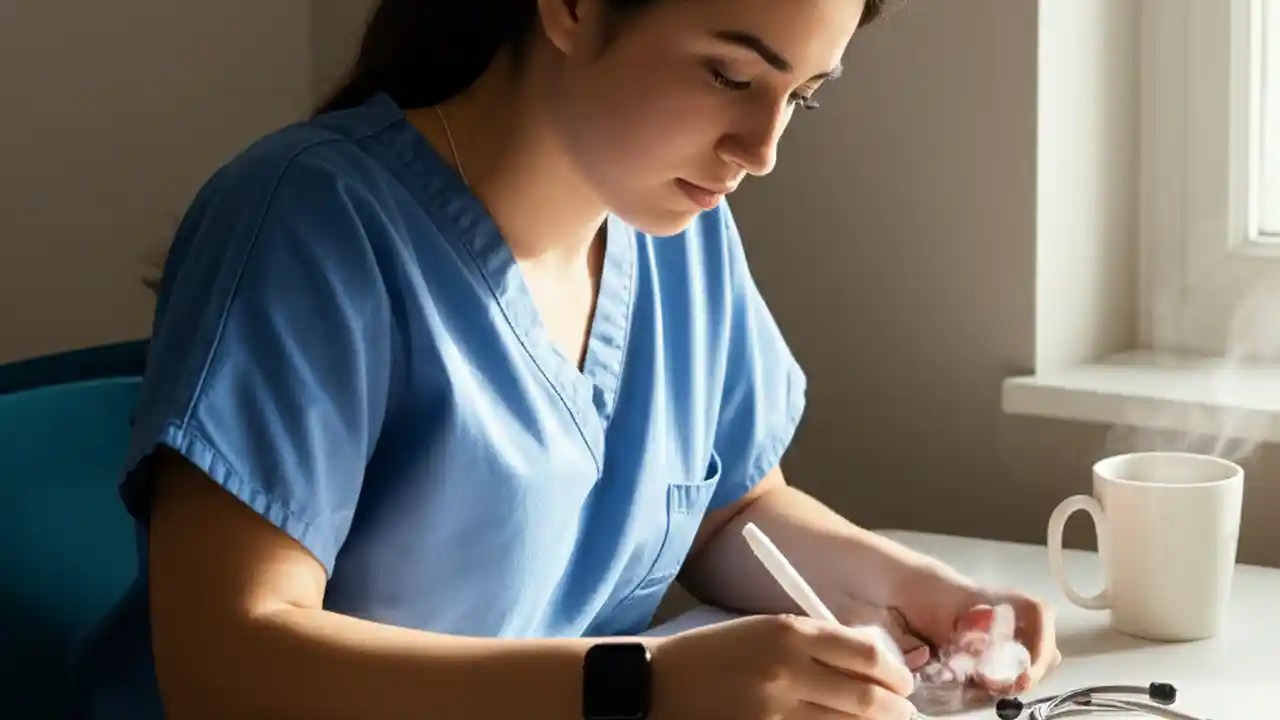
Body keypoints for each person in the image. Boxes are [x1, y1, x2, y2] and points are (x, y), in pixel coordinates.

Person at [71, 0, 1061, 717]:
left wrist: (913, 592)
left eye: (801, 97)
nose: (759, 147)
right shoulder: (309, 222)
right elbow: (225, 664)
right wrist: (639, 687)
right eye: (729, 74)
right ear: (572, 6)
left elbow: (732, 512)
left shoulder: (680, 234)